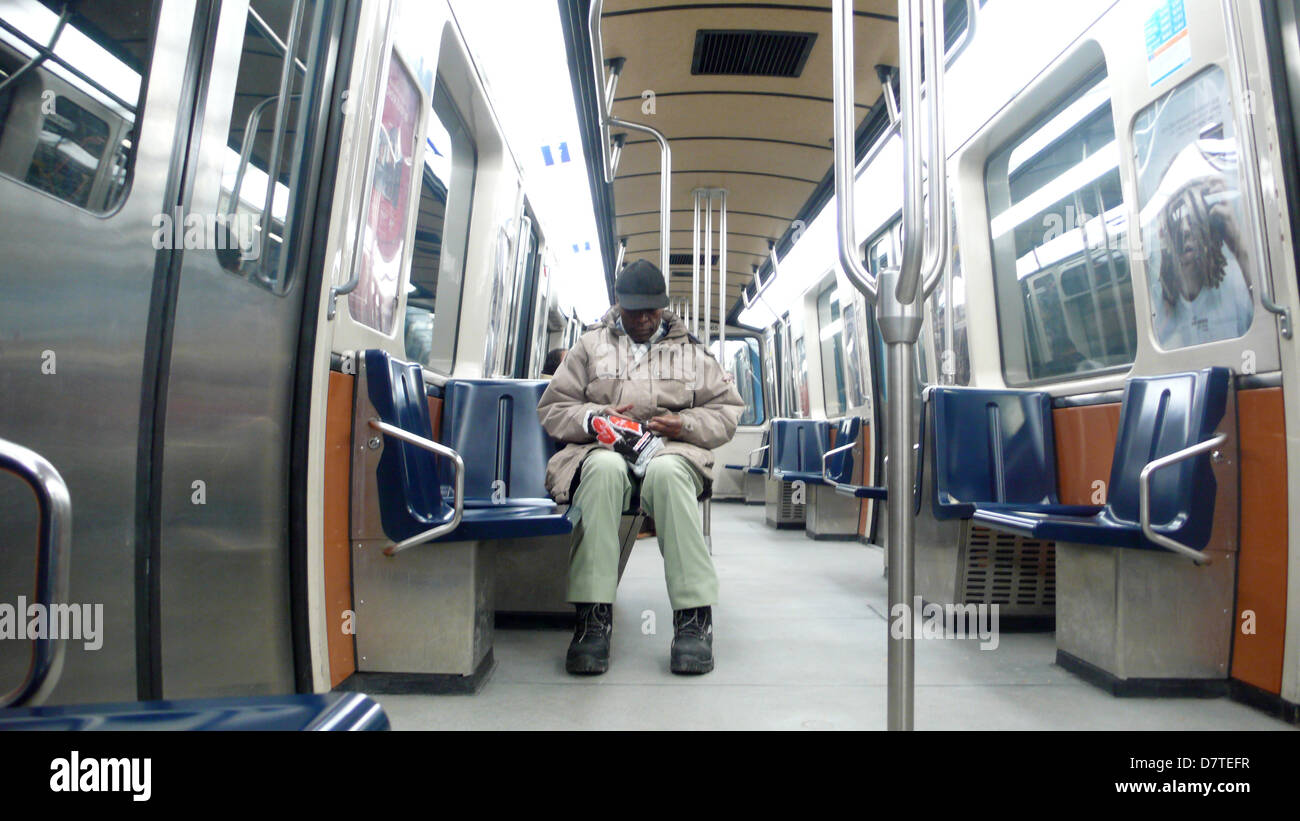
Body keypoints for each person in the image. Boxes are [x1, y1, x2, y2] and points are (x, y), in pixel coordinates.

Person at [537, 259, 745, 675]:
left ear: (663, 307)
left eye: (653, 311)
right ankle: (593, 618)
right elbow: (554, 408)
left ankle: (693, 619)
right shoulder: (589, 347)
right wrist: (595, 417)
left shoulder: (691, 353)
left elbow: (727, 411)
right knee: (602, 473)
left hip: (671, 450)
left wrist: (684, 424)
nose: (645, 320)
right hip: (603, 448)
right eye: (635, 312)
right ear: (619, 305)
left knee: (668, 476)